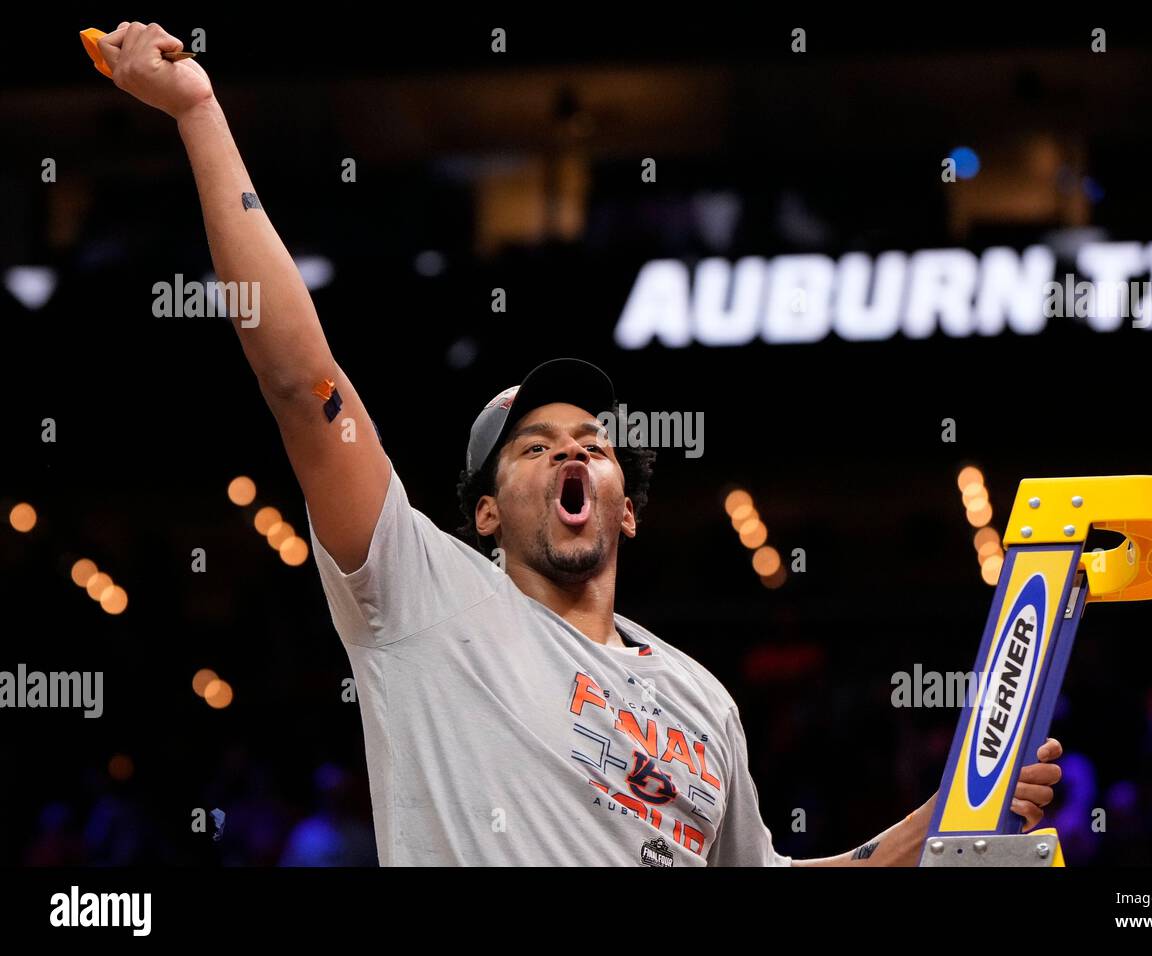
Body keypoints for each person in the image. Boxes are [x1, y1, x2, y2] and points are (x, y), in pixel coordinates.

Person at [96, 20, 1063, 866]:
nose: (569, 455)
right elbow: (305, 387)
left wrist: (943, 821)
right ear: (483, 512)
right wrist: (199, 114)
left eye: (590, 445)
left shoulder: (703, 704)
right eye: (533, 447)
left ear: (627, 508)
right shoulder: (420, 593)